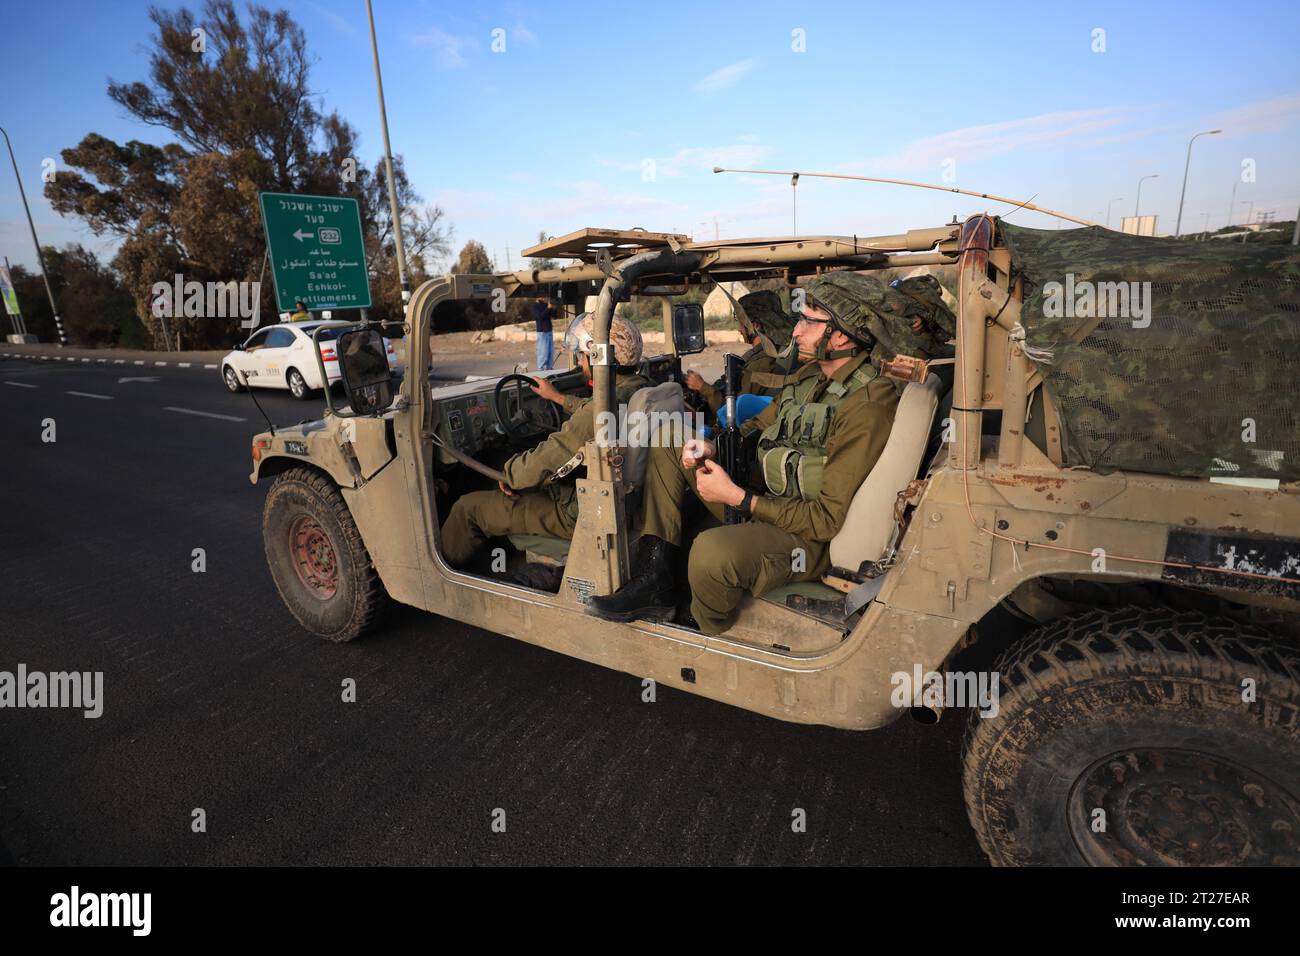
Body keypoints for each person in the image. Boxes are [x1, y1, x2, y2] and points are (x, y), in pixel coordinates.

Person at [586, 273, 901, 635]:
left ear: (842, 335)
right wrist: (712, 445)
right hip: (773, 499)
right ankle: (654, 577)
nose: (796, 332)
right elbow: (762, 424)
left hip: (807, 538)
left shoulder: (867, 405)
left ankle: (706, 625)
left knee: (709, 553)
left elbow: (826, 520)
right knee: (672, 439)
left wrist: (739, 498)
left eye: (808, 321)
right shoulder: (816, 377)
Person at [440, 313, 653, 571]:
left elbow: (549, 458)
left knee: (467, 509)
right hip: (626, 499)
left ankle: (451, 579)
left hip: (576, 513)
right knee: (507, 471)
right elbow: (595, 409)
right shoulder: (640, 390)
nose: (580, 363)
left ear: (599, 359)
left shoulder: (596, 414)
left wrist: (510, 476)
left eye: (583, 357)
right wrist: (559, 398)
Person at [683, 290, 799, 428]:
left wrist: (702, 387)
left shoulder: (763, 362)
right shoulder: (769, 354)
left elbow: (731, 413)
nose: (739, 329)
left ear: (755, 325)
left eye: (741, 322)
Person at [531, 296, 557, 371]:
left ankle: (549, 367)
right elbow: (540, 317)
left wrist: (553, 308)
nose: (543, 299)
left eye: (543, 297)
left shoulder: (545, 305)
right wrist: (548, 308)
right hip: (542, 332)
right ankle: (541, 368)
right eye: (541, 297)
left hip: (549, 331)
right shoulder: (534, 306)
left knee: (550, 352)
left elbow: (554, 316)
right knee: (543, 352)